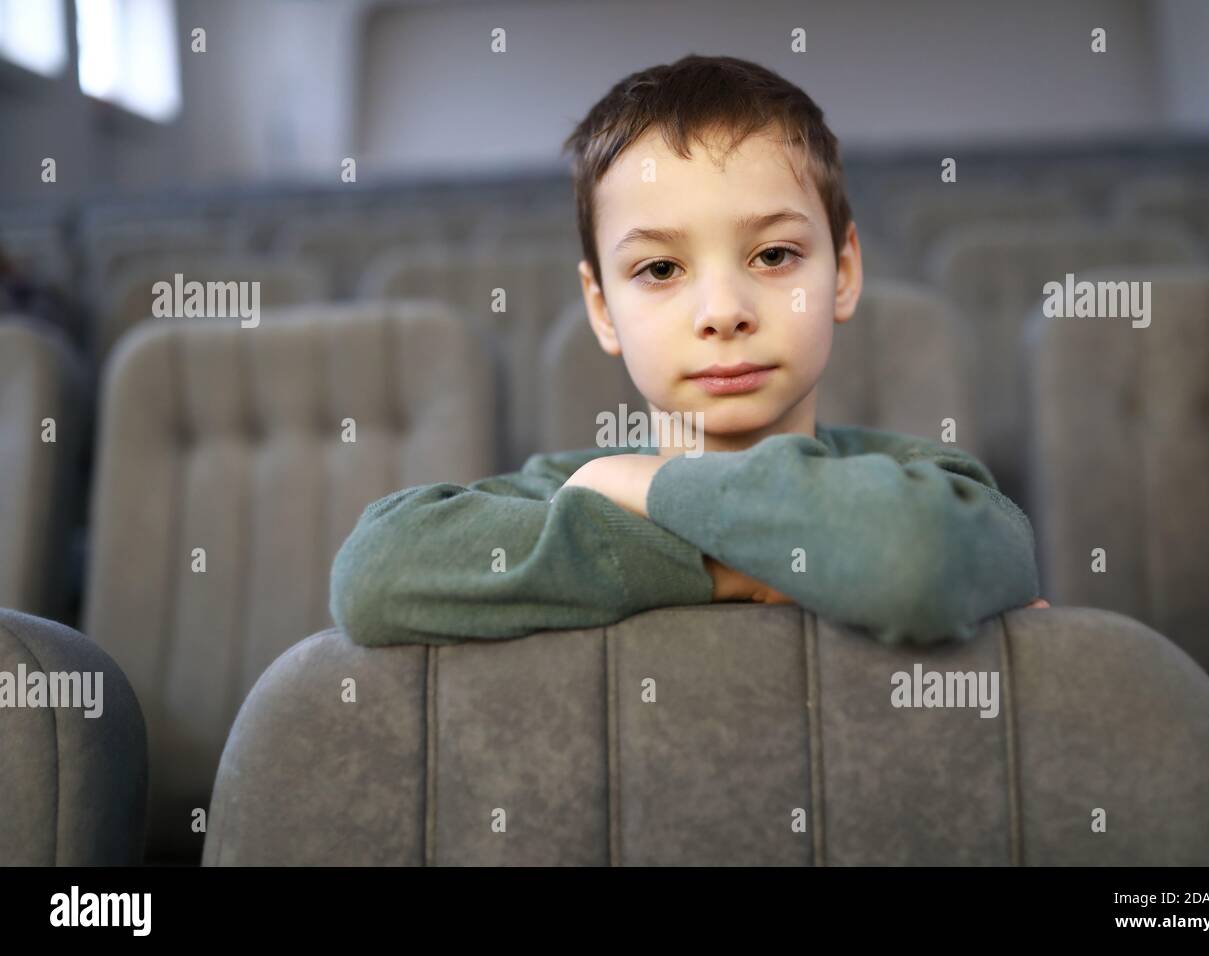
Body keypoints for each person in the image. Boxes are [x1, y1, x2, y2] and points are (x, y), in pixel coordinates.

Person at [329, 54, 1044, 650]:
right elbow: (373, 571)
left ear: (845, 273)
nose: (724, 312)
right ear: (603, 309)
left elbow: (908, 561)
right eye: (661, 270)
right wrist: (742, 568)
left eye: (772, 254)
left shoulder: (930, 483)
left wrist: (647, 488)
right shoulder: (561, 487)